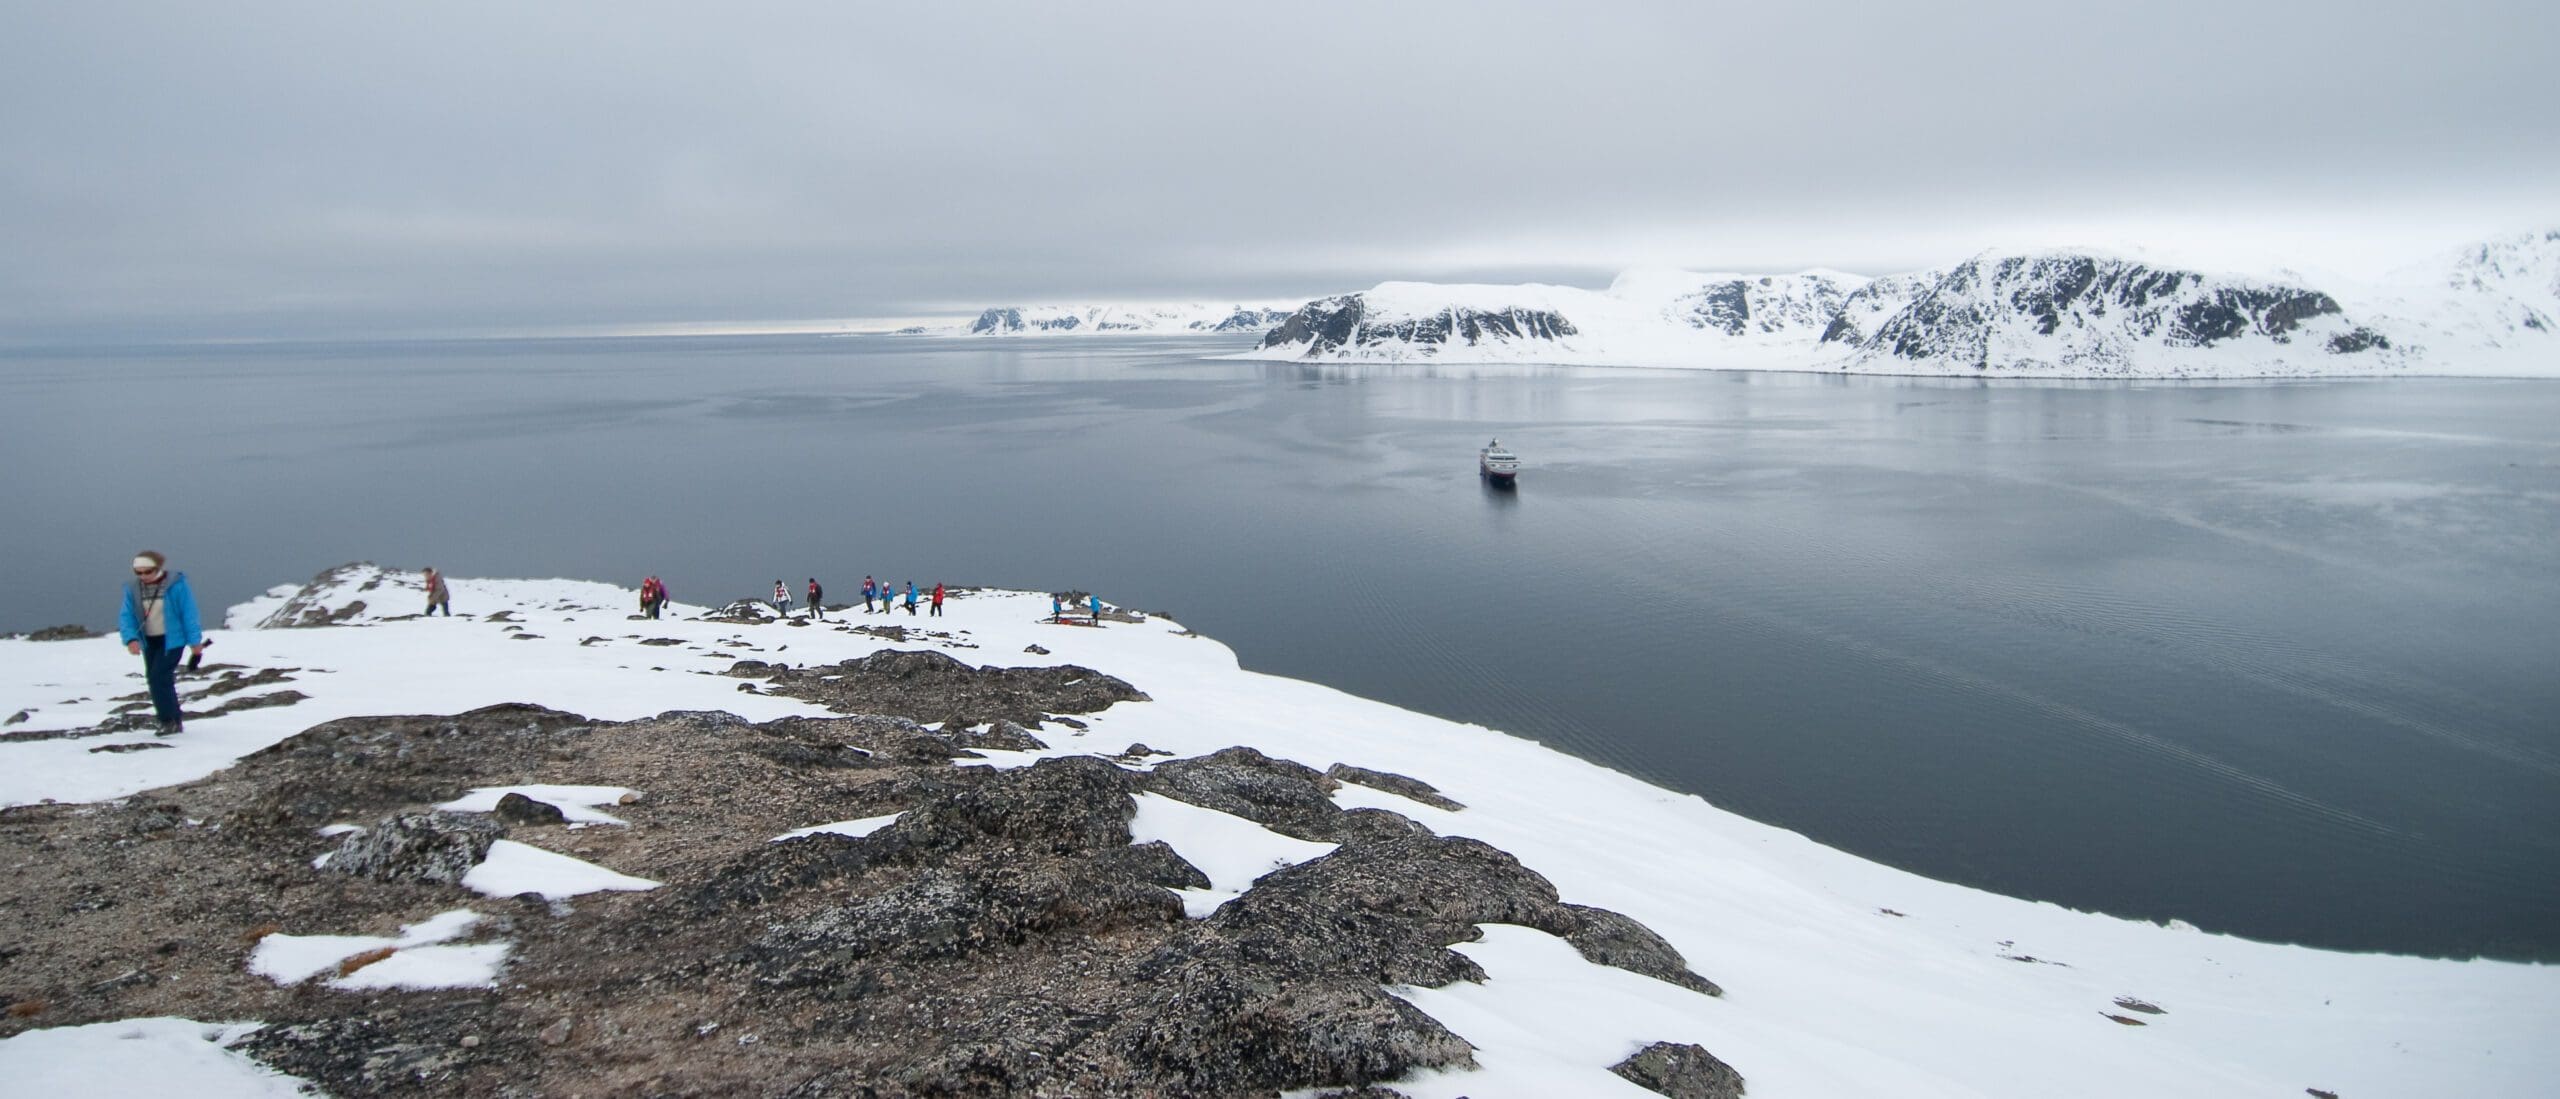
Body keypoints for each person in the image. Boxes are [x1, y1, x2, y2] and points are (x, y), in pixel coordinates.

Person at [118, 552, 204, 736]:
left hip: (172, 640)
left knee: (158, 677)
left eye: (147, 571)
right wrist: (131, 639)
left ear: (158, 569)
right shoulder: (133, 589)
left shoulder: (176, 586)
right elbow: (127, 616)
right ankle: (173, 719)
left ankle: (168, 721)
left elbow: (189, 614)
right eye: (138, 572)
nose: (143, 577)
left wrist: (195, 643)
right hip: (149, 640)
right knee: (156, 678)